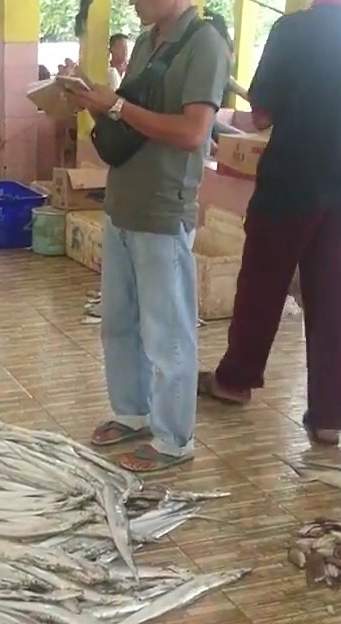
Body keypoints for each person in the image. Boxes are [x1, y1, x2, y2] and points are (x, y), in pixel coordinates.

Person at [197, 0, 341, 447]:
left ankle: (236, 380)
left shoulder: (293, 31)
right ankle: (330, 417)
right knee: (334, 299)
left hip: (291, 179)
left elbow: (262, 114)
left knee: (262, 285)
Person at [64, 0, 228, 473]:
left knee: (167, 332)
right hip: (123, 201)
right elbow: (128, 120)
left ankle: (174, 438)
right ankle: (131, 413)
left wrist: (115, 104)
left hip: (162, 206)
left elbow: (193, 132)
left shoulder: (205, 43)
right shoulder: (144, 43)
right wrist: (91, 98)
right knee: (119, 321)